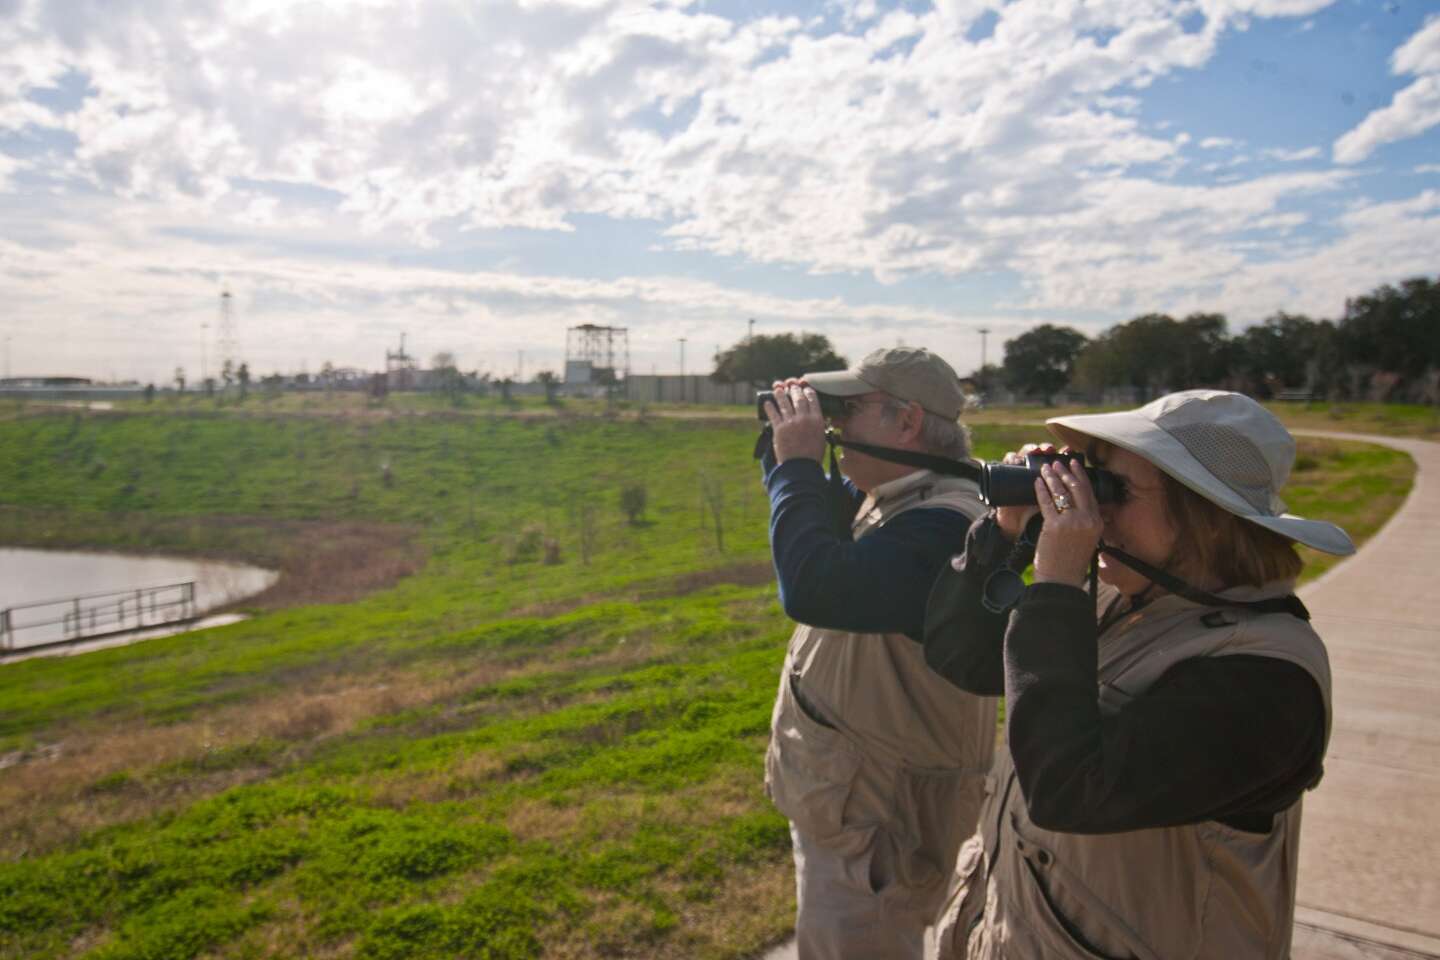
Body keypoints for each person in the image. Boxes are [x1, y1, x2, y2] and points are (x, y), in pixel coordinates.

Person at [922, 389, 1355, 960]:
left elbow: (1067, 790)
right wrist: (1003, 532)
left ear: (1211, 517)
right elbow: (962, 657)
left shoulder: (1268, 678)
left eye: (1115, 491)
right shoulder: (1129, 600)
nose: (1094, 511)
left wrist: (1054, 589)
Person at [759, 347, 997, 960]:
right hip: (855, 800)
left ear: (908, 422)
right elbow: (827, 538)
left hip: (880, 820)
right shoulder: (907, 495)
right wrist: (785, 456)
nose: (835, 427)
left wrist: (800, 469)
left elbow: (816, 585)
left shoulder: (948, 524)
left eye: (849, 410)